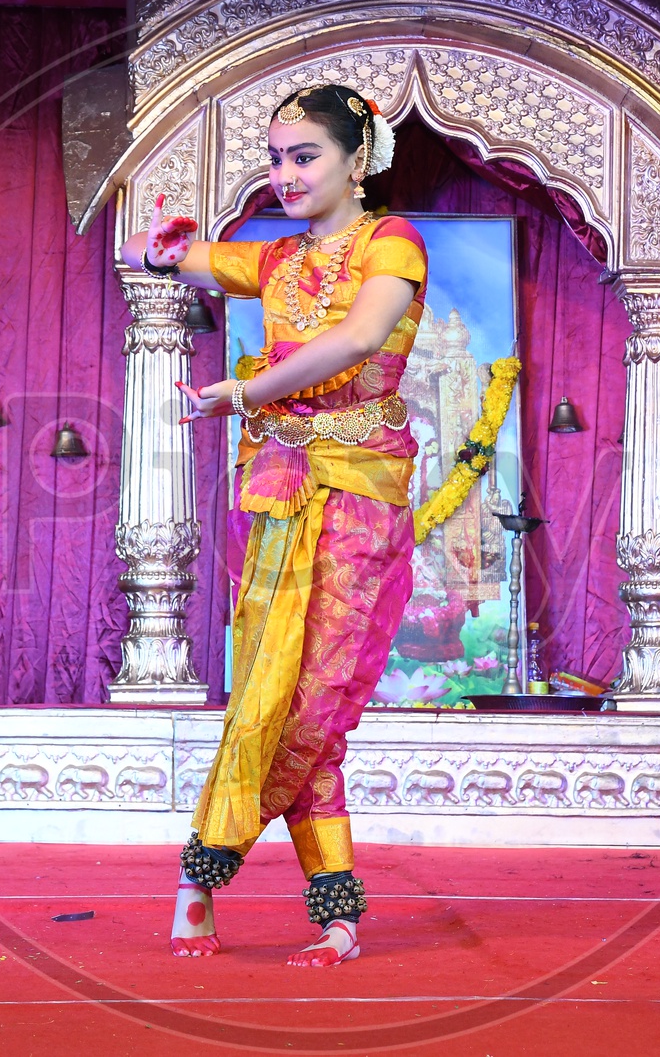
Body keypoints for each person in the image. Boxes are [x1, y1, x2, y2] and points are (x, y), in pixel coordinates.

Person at [118, 83, 429, 968]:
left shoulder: (391, 242)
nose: (285, 174)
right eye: (276, 157)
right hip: (282, 494)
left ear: (356, 159)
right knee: (269, 685)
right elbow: (152, 252)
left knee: (314, 697)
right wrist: (164, 243)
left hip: (362, 495)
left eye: (306, 156)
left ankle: (202, 872)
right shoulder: (278, 258)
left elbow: (365, 337)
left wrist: (247, 392)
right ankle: (336, 917)